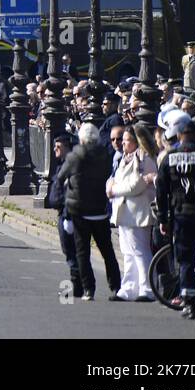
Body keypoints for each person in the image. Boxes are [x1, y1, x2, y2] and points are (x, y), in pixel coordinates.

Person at [56, 121, 122, 301]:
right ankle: (116, 286)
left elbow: (60, 177)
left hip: (80, 209)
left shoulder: (76, 156)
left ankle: (88, 289)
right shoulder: (105, 155)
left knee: (82, 251)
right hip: (100, 208)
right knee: (107, 251)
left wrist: (64, 199)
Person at [156, 118, 195, 318]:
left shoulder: (170, 157)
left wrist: (162, 218)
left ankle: (190, 303)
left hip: (180, 215)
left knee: (185, 259)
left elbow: (161, 190)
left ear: (179, 136)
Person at [107, 125, 158, 302]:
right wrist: (111, 185)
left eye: (127, 140)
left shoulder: (144, 158)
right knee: (127, 252)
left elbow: (137, 184)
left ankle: (147, 288)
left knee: (140, 250)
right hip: (125, 211)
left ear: (137, 142)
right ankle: (129, 287)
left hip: (138, 211)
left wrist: (114, 190)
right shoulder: (125, 158)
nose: (122, 143)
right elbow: (117, 178)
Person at [46, 133, 82, 299]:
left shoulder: (71, 166)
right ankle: (77, 282)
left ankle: (77, 284)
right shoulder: (62, 164)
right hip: (63, 213)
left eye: (59, 147)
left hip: (69, 214)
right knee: (68, 250)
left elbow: (72, 193)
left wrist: (68, 215)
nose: (55, 150)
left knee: (71, 250)